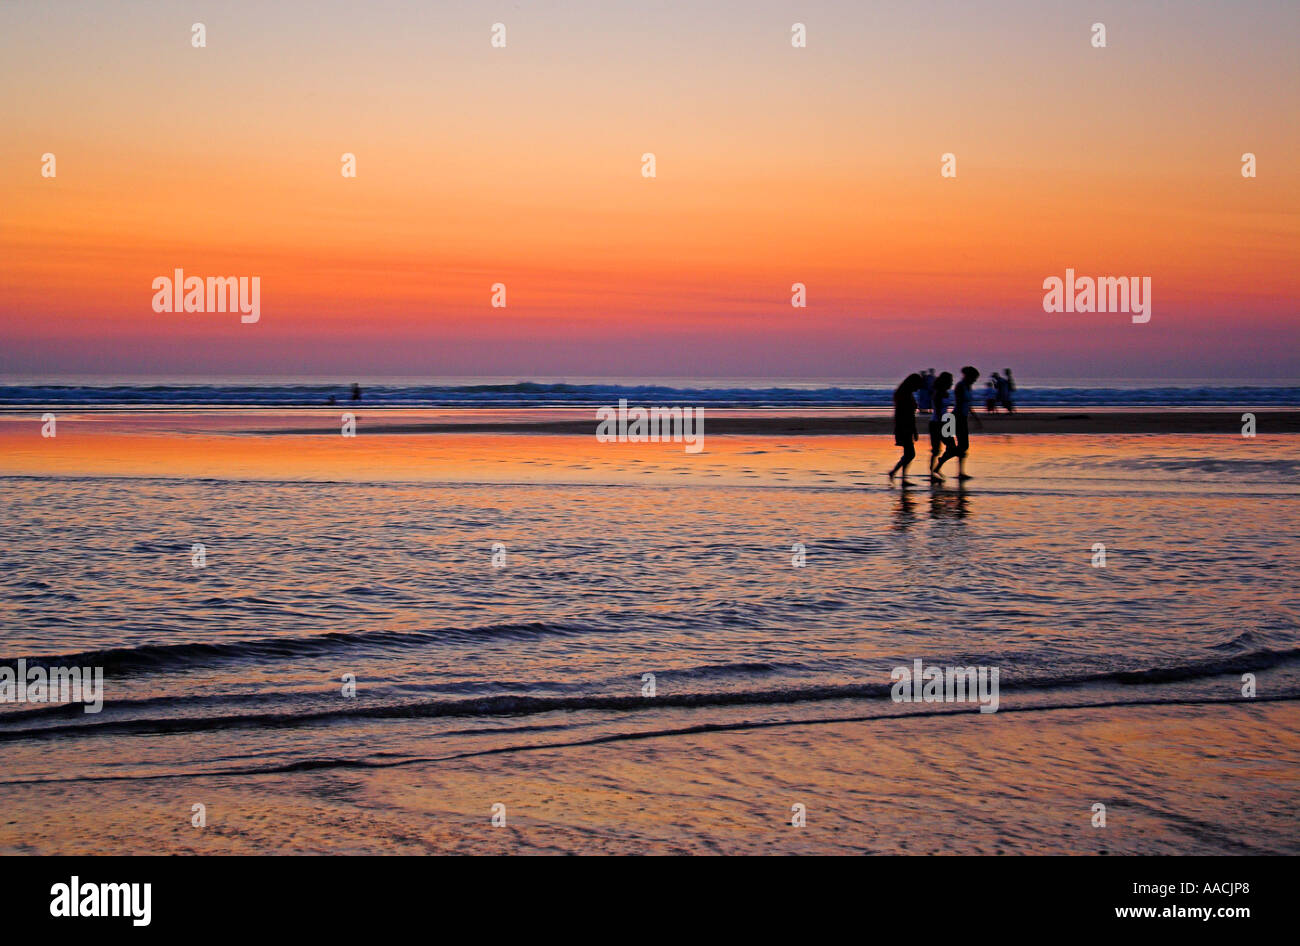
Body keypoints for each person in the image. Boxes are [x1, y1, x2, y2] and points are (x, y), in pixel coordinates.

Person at [935, 366, 979, 480]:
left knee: (963, 447)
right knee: (962, 446)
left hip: (962, 418)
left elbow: (968, 405)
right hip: (956, 418)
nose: (975, 380)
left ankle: (955, 469)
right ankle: (946, 465)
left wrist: (975, 417)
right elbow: (959, 405)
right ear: (969, 376)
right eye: (974, 378)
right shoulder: (960, 386)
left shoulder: (968, 387)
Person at [888, 373, 924, 481]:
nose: (918, 388)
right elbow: (904, 414)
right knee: (910, 454)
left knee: (908, 453)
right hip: (904, 427)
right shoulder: (904, 395)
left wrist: (914, 430)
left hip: (905, 426)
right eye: (918, 385)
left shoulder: (905, 394)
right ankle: (896, 473)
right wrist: (913, 430)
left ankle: (901, 476)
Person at [928, 371, 954, 481]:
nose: (952, 383)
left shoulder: (946, 393)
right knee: (936, 450)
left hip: (946, 421)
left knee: (952, 448)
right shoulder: (937, 394)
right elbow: (938, 411)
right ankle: (932, 473)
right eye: (950, 381)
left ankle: (937, 468)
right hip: (937, 423)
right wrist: (943, 426)